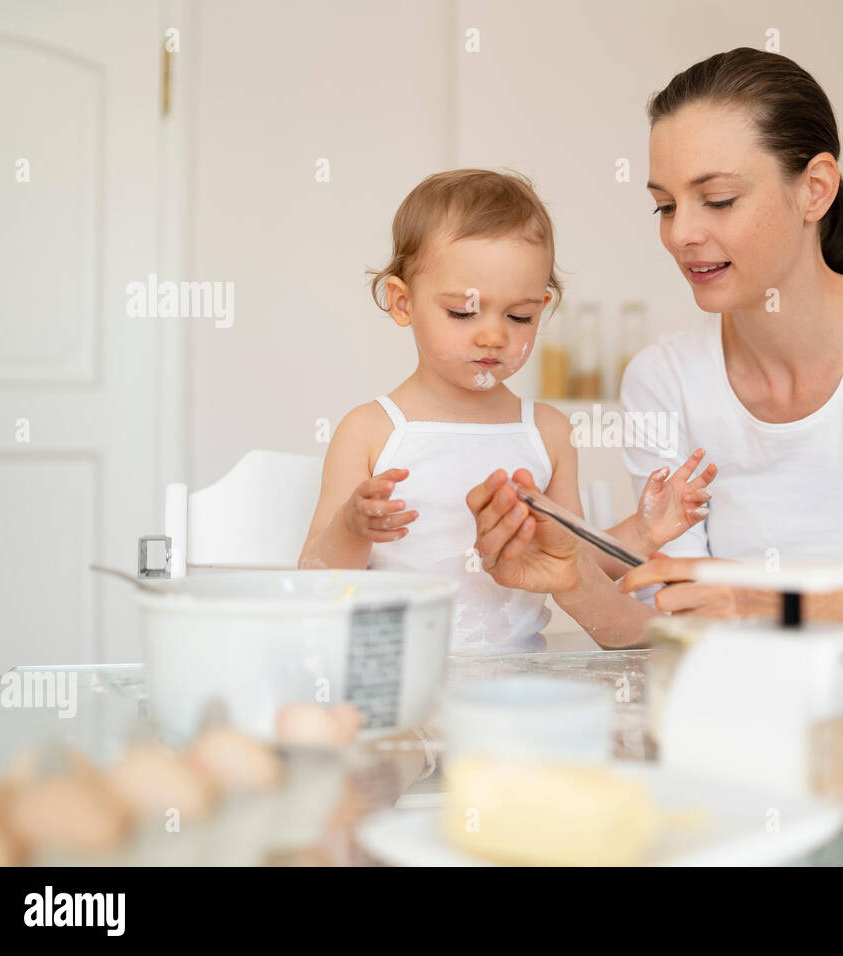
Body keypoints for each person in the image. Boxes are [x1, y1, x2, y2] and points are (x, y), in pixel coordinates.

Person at [466, 49, 843, 662]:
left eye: (720, 199)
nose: (681, 234)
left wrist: (776, 603)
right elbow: (671, 619)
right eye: (666, 204)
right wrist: (570, 574)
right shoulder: (664, 379)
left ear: (815, 190)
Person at [298, 169, 715, 653]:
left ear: (543, 306)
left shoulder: (547, 432)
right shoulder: (370, 431)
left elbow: (574, 564)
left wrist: (644, 531)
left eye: (519, 317)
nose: (494, 335)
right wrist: (351, 528)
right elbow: (314, 581)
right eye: (463, 312)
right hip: (399, 682)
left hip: (515, 686)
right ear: (401, 301)